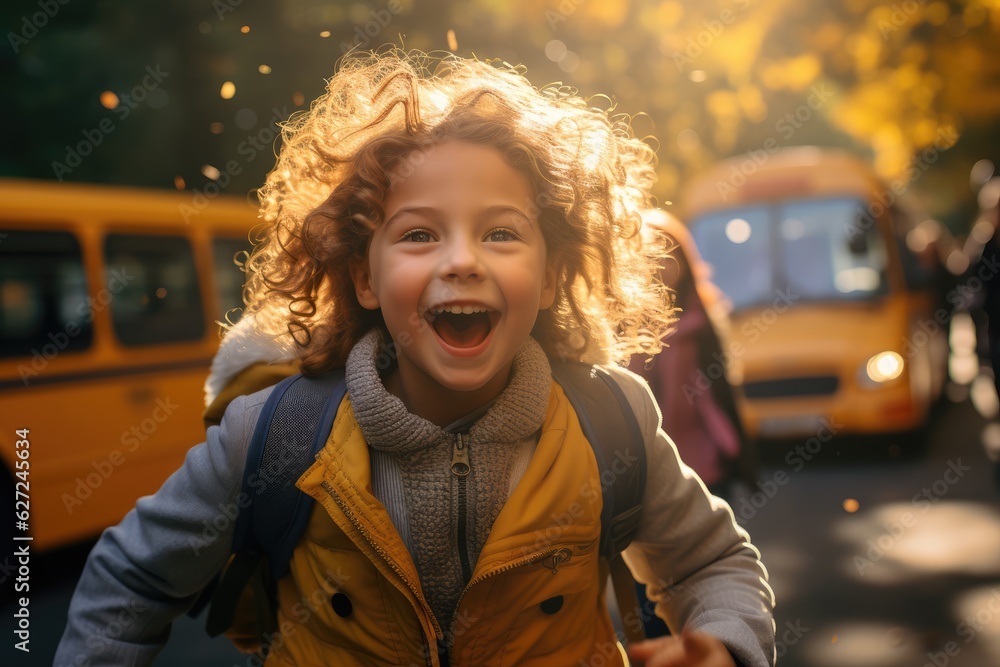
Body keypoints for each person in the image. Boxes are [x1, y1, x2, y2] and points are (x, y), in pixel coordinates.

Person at [55, 50, 775, 667]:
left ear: (553, 274)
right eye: (419, 235)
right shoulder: (269, 437)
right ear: (364, 277)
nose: (462, 260)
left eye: (500, 233)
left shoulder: (610, 421)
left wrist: (723, 644)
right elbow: (127, 581)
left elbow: (712, 562)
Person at [629, 210, 757, 501]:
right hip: (652, 464)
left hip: (707, 461)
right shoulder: (628, 328)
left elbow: (721, 393)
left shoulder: (702, 320)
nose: (663, 265)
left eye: (670, 254)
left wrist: (735, 453)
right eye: (653, 256)